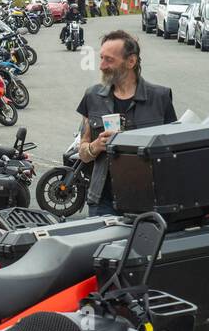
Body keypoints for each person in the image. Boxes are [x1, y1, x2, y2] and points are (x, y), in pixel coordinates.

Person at [75, 30, 177, 217]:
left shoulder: (160, 98)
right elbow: (83, 153)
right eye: (101, 58)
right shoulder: (92, 96)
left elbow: (175, 153)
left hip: (151, 202)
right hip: (103, 203)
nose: (101, 66)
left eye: (109, 60)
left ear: (131, 61)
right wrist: (96, 146)